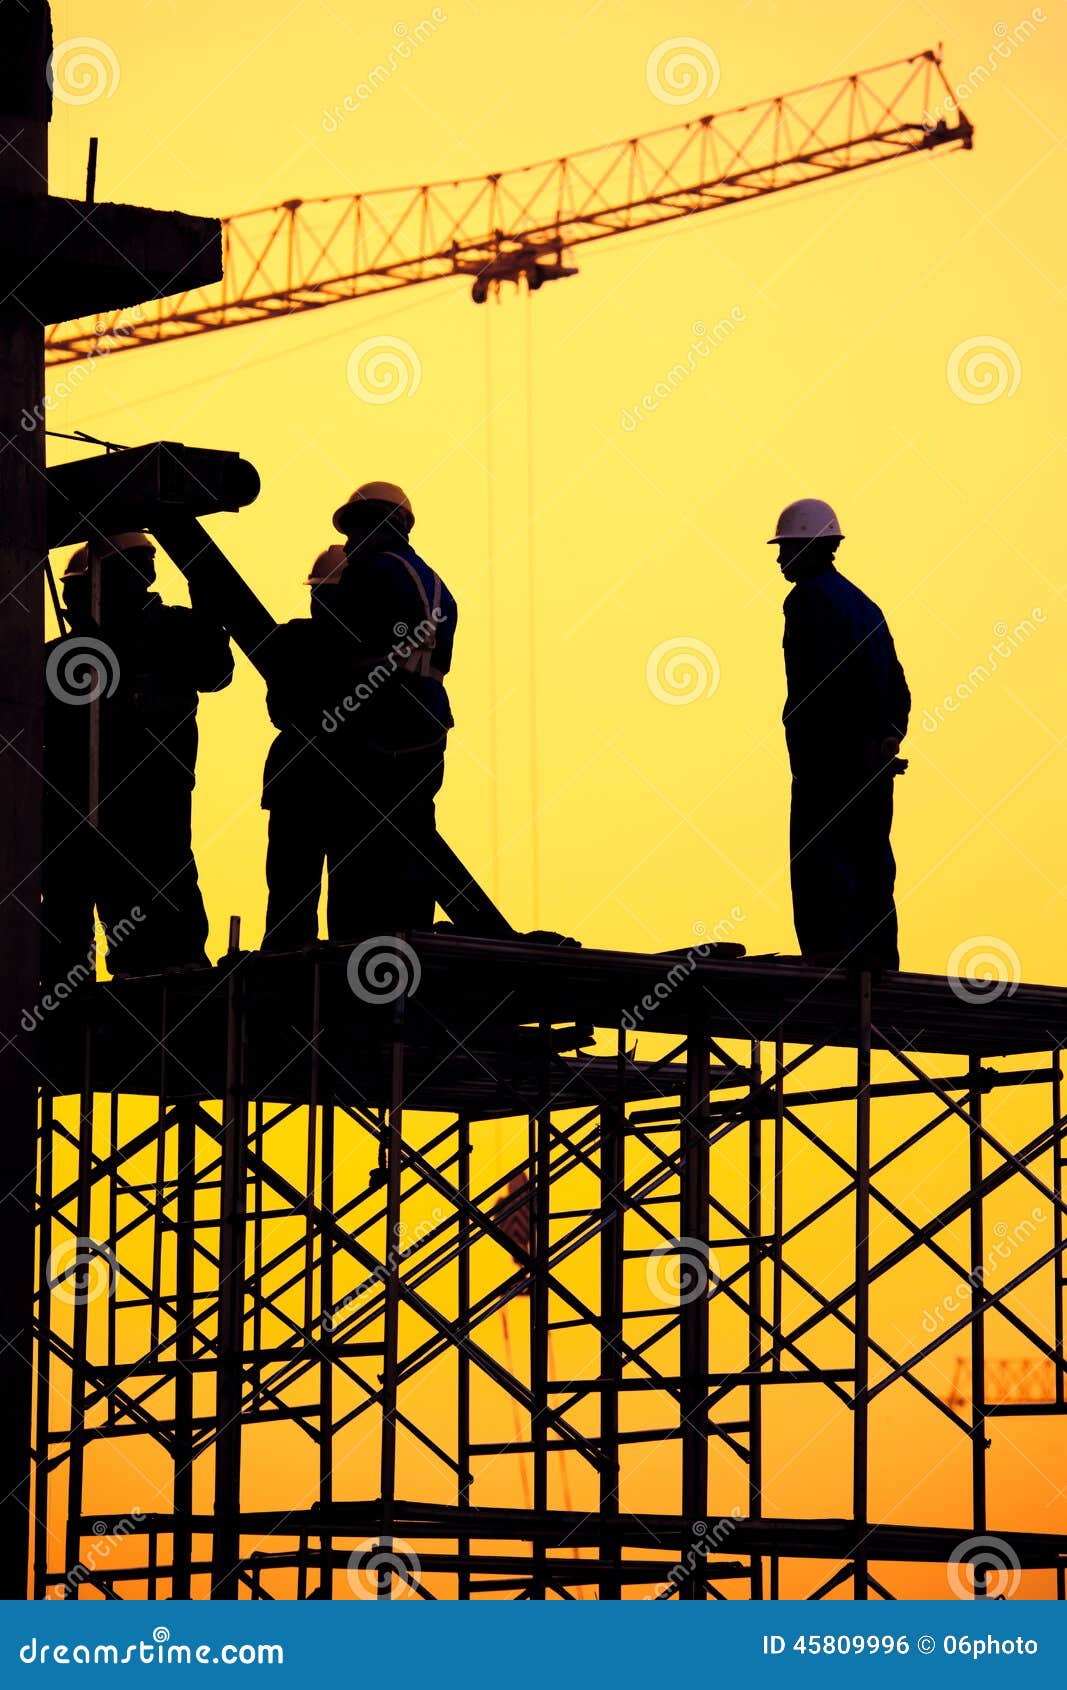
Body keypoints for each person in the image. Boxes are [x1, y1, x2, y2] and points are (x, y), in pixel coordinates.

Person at [261, 482, 457, 947]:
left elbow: (337, 647)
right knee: (405, 845)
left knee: (359, 851)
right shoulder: (439, 587)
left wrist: (294, 657)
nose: (349, 544)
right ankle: (399, 942)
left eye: (354, 531)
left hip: (378, 729)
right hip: (425, 731)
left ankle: (349, 951)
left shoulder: (371, 574)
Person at [41, 530, 233, 983]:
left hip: (143, 814)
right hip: (90, 815)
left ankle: (145, 1012)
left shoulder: (171, 634)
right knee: (75, 930)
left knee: (157, 936)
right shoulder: (68, 654)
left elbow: (215, 670)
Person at [771, 498, 910, 971]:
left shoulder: (807, 599)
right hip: (872, 766)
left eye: (785, 548)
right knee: (871, 864)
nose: (778, 559)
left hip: (829, 764)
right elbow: (898, 687)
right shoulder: (865, 606)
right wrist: (887, 739)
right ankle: (876, 962)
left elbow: (816, 683)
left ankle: (831, 961)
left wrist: (821, 748)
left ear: (808, 548)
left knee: (820, 862)